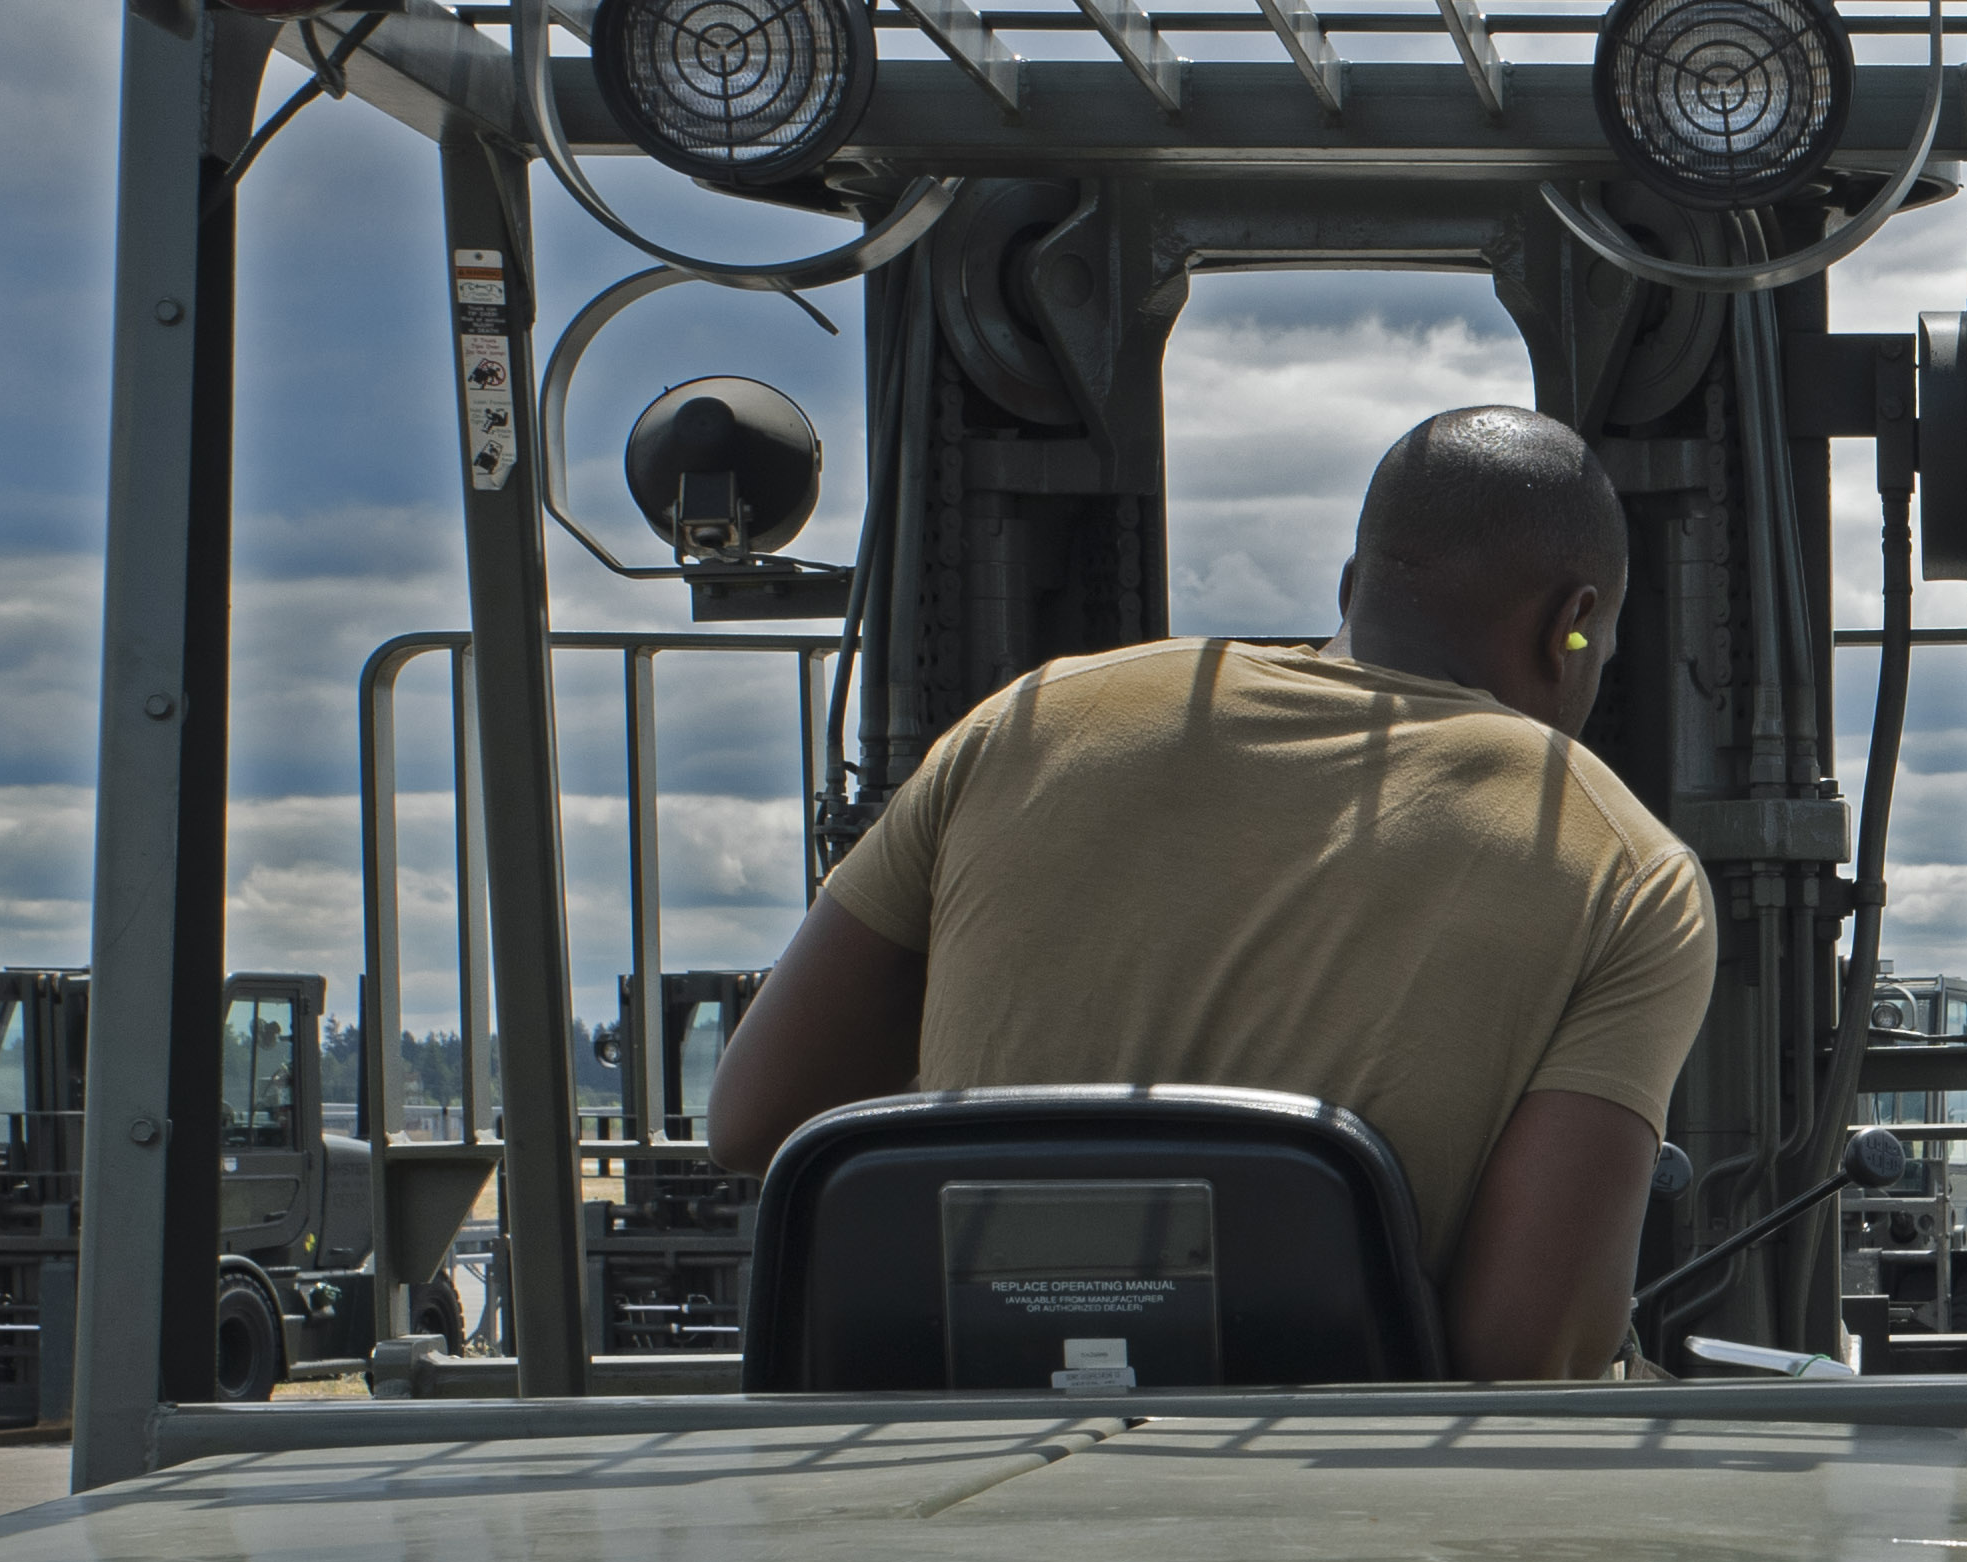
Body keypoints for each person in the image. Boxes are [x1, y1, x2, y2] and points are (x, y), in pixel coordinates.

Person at [708, 406, 1715, 1381]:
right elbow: (1526, 1351)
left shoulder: (1026, 722)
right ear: (1572, 625)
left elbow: (754, 1118)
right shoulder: (1620, 861)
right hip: (1358, 1521)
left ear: (1352, 583)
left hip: (961, 1462)